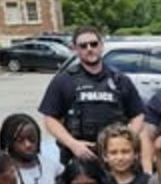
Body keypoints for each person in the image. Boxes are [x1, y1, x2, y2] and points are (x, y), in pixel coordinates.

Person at [39, 25, 145, 164]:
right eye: (83, 46)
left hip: (114, 158)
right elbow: (50, 119)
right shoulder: (64, 80)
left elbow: (138, 115)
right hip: (78, 156)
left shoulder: (120, 80)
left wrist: (126, 142)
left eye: (94, 44)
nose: (89, 48)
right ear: (75, 49)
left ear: (101, 46)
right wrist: (73, 144)